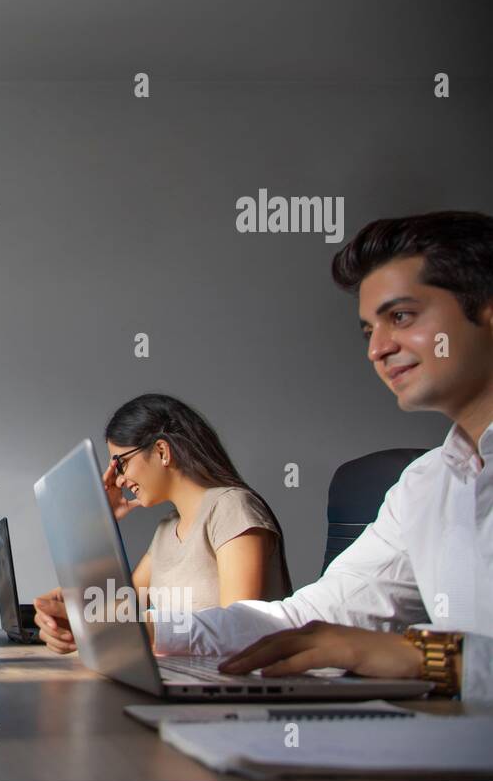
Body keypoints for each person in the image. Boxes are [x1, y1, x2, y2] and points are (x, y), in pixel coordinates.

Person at [35, 211, 493, 702]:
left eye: (401, 316)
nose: (377, 349)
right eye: (367, 331)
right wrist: (111, 625)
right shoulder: (424, 487)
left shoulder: (230, 508)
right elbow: (304, 620)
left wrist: (431, 657)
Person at [100, 393, 289, 613]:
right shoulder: (167, 529)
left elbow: (236, 631)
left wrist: (157, 631)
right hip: (171, 650)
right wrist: (103, 522)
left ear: (162, 451)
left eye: (121, 464)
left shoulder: (231, 507)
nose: (119, 479)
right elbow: (119, 618)